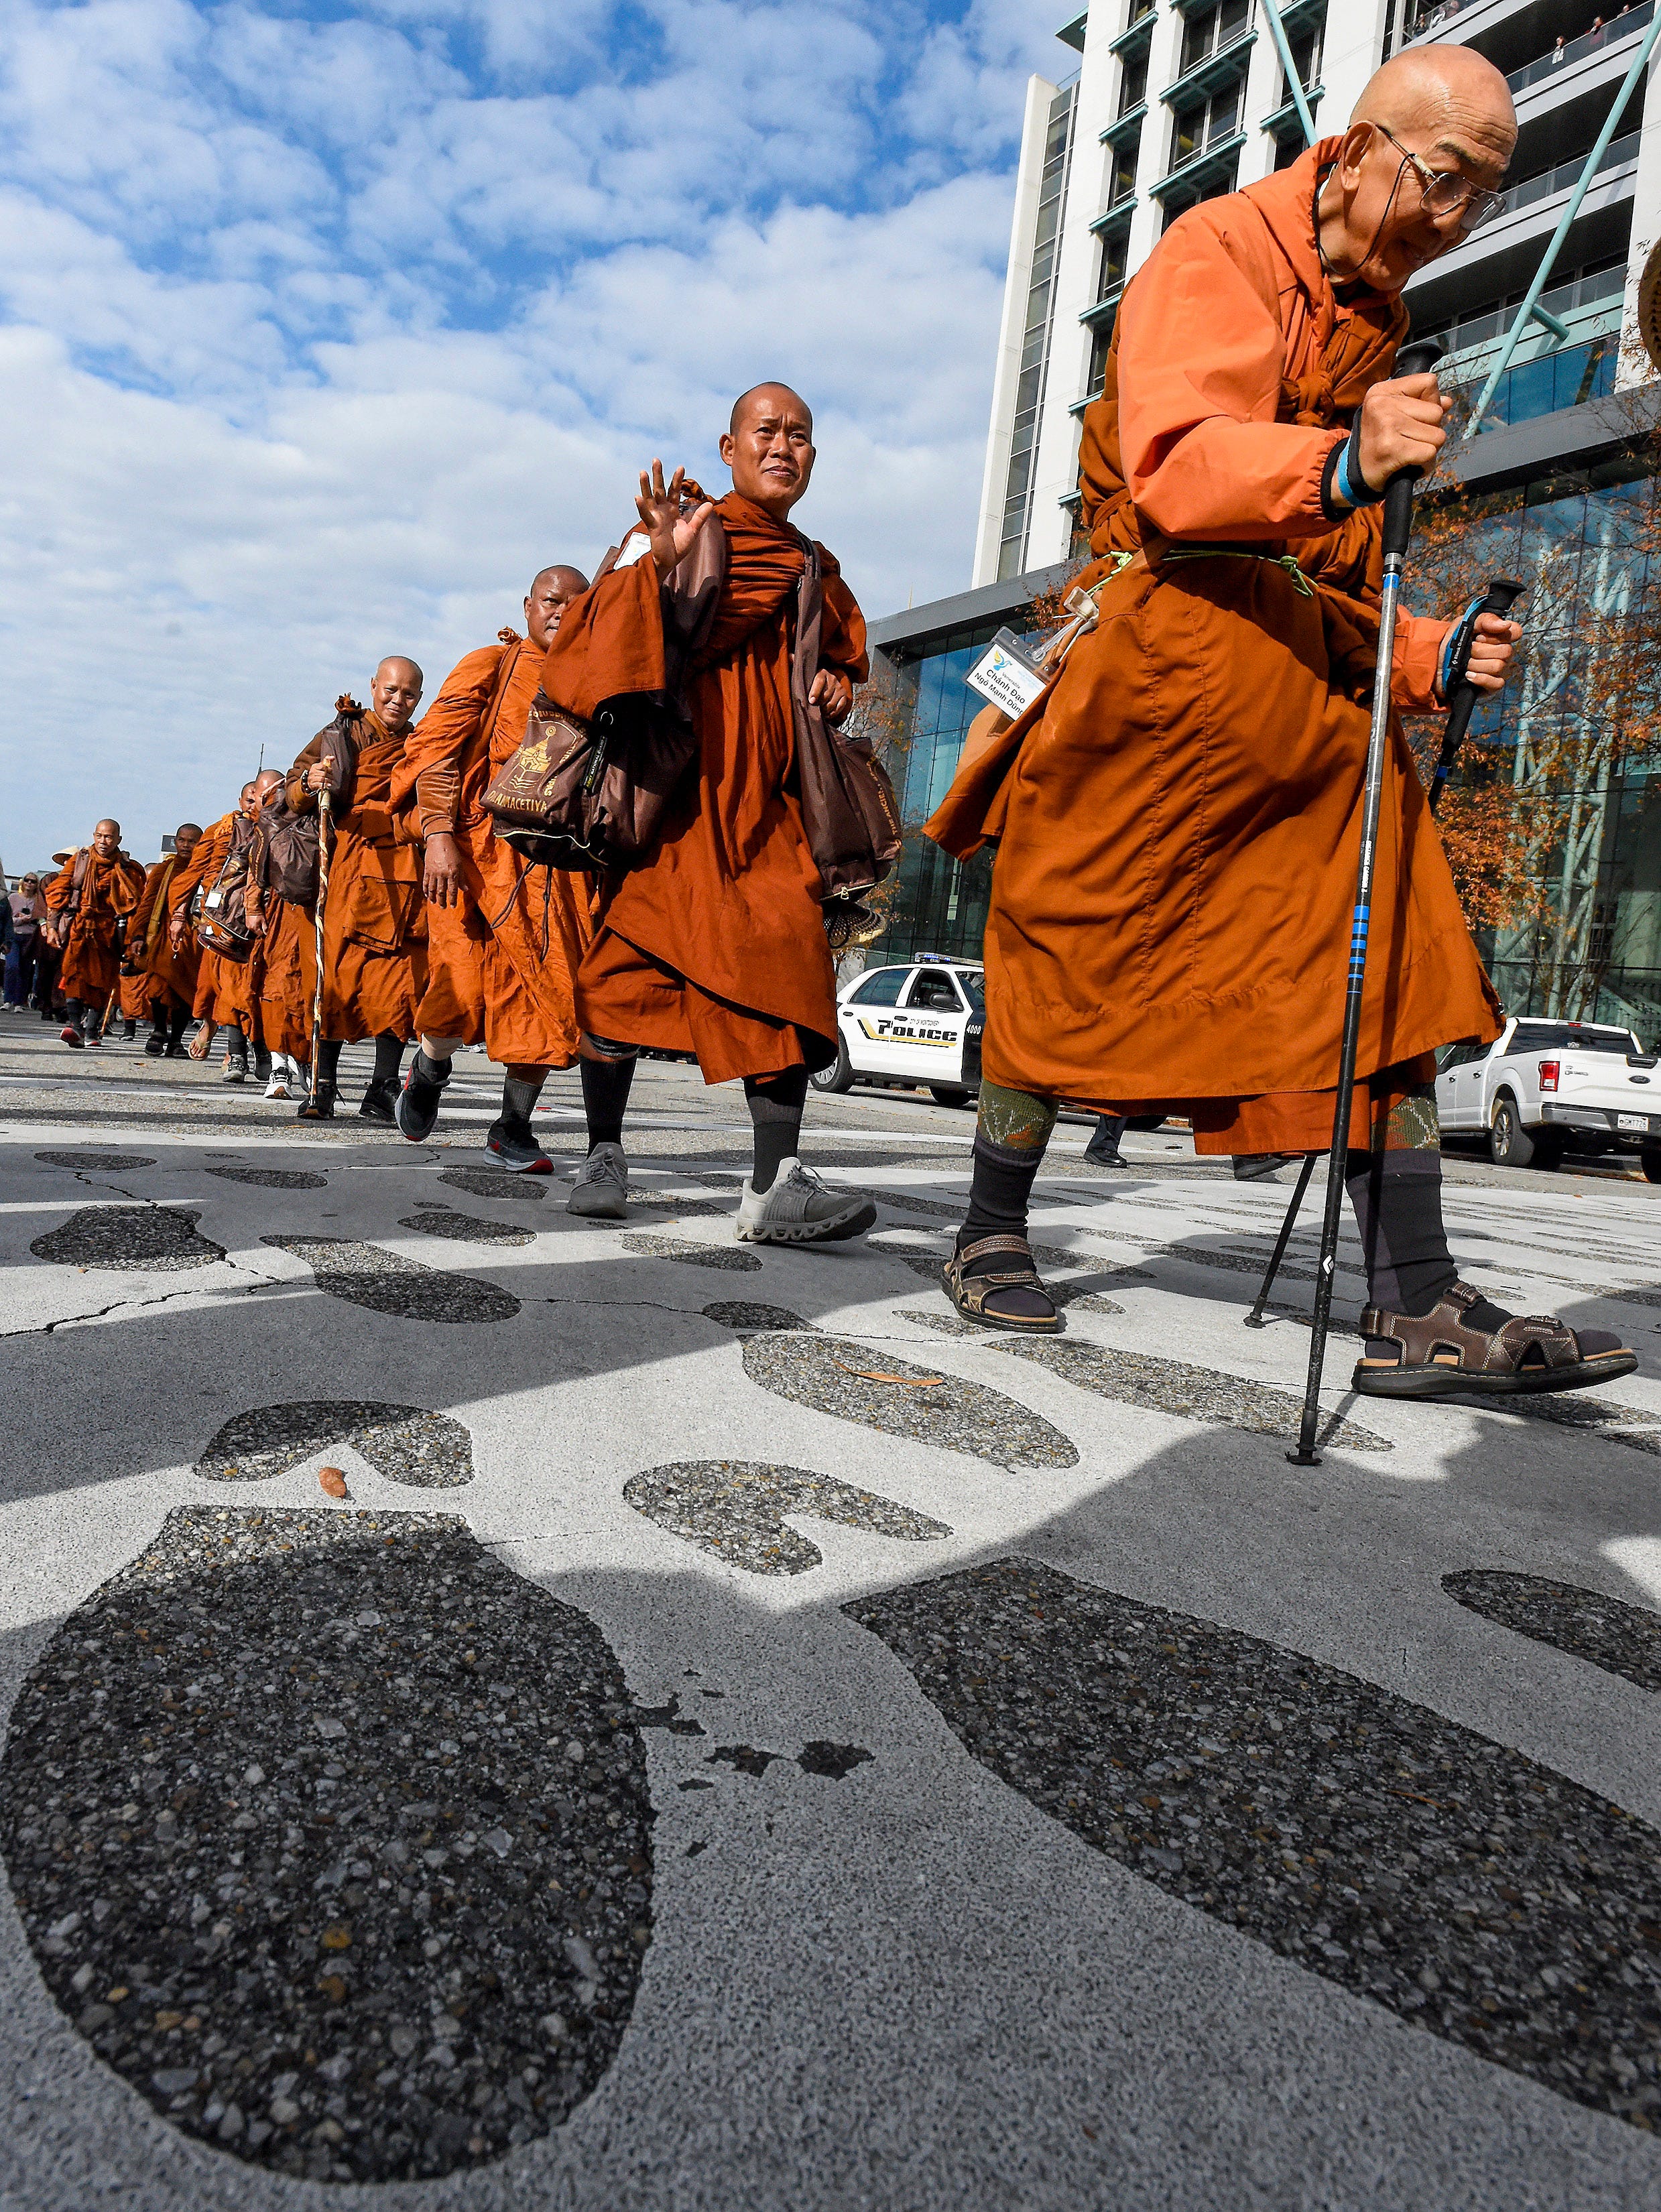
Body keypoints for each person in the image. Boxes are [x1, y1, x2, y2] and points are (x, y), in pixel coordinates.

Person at [928, 48, 1636, 1400]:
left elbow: (1329, 575)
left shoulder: (1369, 316)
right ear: (1360, 149)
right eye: (1442, 180)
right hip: (1151, 682)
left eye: (1481, 198)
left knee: (1392, 951)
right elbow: (1180, 464)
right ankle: (988, 1228)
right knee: (1065, 946)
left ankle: (1414, 1299)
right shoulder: (1217, 248)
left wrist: (1429, 653)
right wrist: (1344, 458)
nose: (1453, 221)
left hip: (1303, 710)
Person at [539, 386, 878, 1242]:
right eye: (767, 431)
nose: (784, 446)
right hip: (676, 803)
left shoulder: (811, 564)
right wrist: (657, 563)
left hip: (769, 808)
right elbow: (581, 655)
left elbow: (841, 653)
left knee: (789, 968)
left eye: (800, 435)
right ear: (729, 448)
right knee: (616, 982)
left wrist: (838, 680)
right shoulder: (685, 527)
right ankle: (604, 1153)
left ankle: (773, 1189)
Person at [390, 567, 595, 1168]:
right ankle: (430, 1067)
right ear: (528, 605)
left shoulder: (597, 678)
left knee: (548, 991)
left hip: (554, 862)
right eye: (551, 601)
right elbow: (435, 752)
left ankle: (513, 1127)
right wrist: (437, 835)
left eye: (577, 606)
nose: (561, 613)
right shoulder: (492, 665)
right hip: (471, 855)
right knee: (458, 988)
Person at [283, 659, 427, 1121]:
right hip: (345, 868)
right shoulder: (340, 734)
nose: (397, 700)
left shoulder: (421, 743)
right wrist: (310, 783)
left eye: (408, 694)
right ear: (374, 686)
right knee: (334, 977)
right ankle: (322, 1085)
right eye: (390, 690)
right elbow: (290, 789)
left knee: (399, 983)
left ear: (418, 699)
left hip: (402, 876)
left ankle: (383, 1087)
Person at [42, 822, 146, 1047]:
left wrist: (136, 937)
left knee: (102, 983)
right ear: (93, 836)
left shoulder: (128, 868)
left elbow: (137, 906)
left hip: (110, 931)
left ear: (118, 840)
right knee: (73, 976)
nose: (103, 842)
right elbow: (59, 892)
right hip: (80, 927)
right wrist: (52, 926)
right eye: (99, 836)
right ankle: (75, 1027)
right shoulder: (80, 861)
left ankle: (91, 1032)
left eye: (109, 837)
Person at [125, 824, 202, 1056]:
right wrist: (138, 935)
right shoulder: (164, 870)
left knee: (185, 989)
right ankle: (159, 1031)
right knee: (159, 985)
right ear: (175, 842)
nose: (186, 846)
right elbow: (148, 903)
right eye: (182, 840)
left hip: (194, 938)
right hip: (163, 935)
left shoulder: (207, 869)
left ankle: (176, 1040)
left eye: (192, 841)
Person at [3, 874, 44, 1010]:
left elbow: (41, 920)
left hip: (30, 938)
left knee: (25, 970)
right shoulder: (13, 898)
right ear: (22, 882)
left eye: (33, 881)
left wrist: (31, 919)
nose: (29, 883)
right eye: (27, 880)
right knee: (12, 967)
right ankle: (8, 1000)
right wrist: (21, 919)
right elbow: (7, 920)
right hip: (14, 937)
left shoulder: (38, 901)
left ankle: (19, 1002)